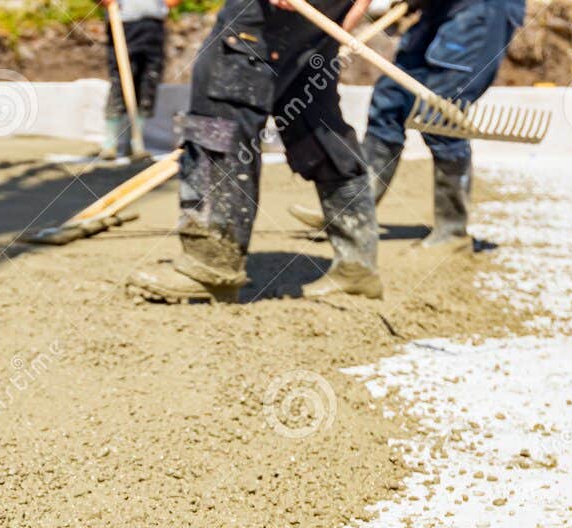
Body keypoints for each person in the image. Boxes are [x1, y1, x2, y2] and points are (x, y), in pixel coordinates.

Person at [128, 0, 382, 304]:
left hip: (268, 15)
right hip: (326, 10)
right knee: (313, 118)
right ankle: (358, 262)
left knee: (220, 109)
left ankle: (210, 264)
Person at [291, 0, 525, 250]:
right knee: (388, 101)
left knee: (441, 114)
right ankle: (353, 213)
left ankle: (453, 230)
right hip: (441, 9)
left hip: (482, 10)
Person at [100, 0, 177, 162]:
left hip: (154, 26)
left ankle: (137, 141)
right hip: (123, 24)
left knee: (149, 81)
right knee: (120, 79)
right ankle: (111, 143)